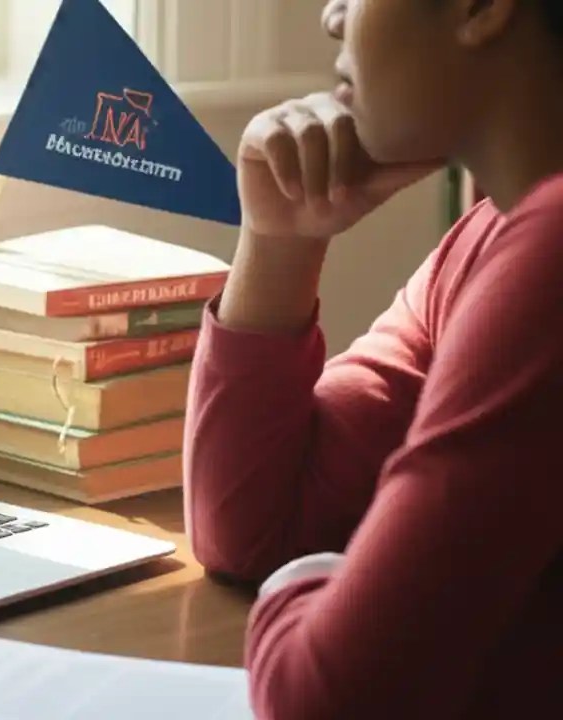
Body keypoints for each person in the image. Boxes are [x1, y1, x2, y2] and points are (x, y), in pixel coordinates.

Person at [184, 0, 563, 717]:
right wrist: (279, 239)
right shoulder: (489, 237)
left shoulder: (552, 253)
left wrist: (327, 580)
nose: (332, 15)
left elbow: (325, 699)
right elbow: (254, 529)